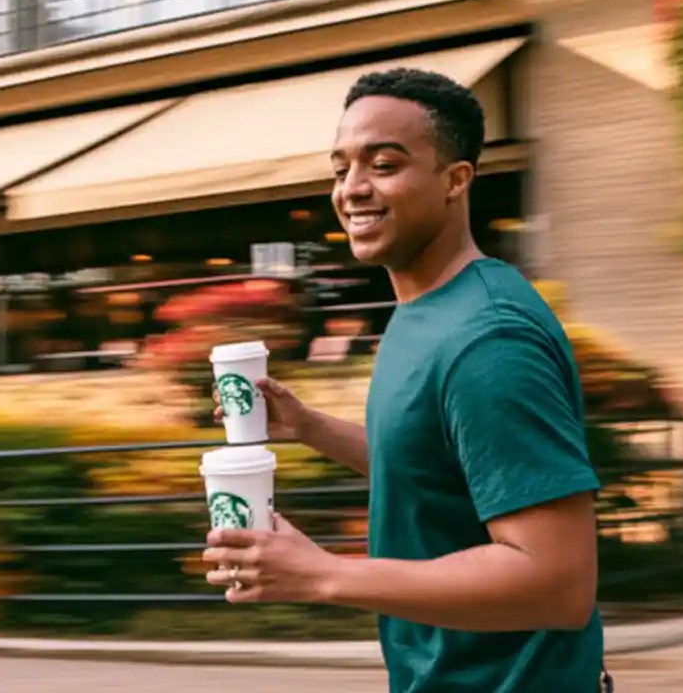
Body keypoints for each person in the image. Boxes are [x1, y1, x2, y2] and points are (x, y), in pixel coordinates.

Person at [205, 67, 609, 692]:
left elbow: (557, 584)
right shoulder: (426, 309)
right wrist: (309, 427)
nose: (352, 190)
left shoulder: (489, 339)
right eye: (341, 169)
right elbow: (444, 471)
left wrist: (324, 575)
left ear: (455, 180)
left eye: (384, 165)